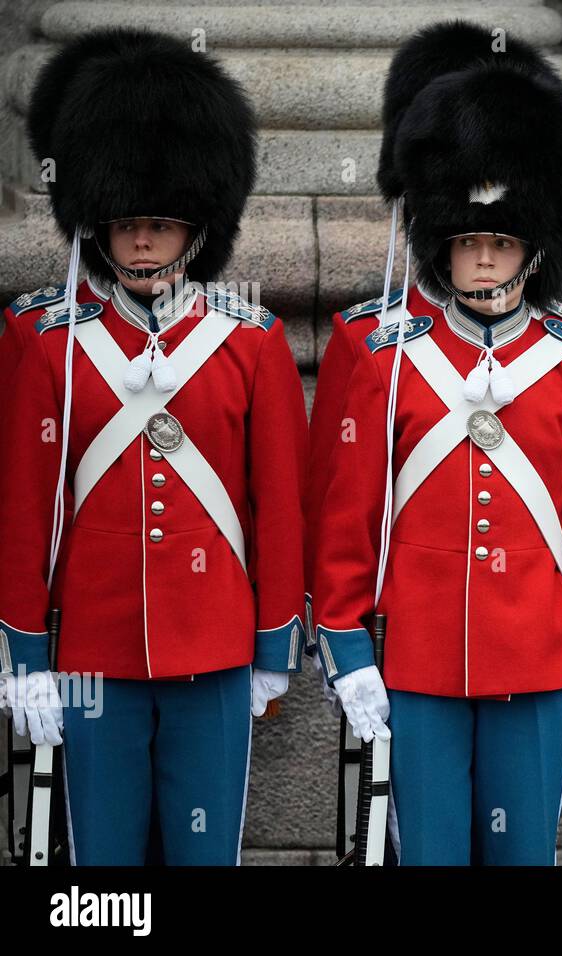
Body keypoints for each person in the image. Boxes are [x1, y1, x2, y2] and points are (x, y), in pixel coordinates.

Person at [310, 22, 562, 865]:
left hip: (534, 654)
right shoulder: (390, 362)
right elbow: (351, 518)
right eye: (468, 242)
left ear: (534, 247)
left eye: (501, 242)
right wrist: (345, 646)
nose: (483, 258)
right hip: (417, 657)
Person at [0, 27, 307, 865]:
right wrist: (24, 652)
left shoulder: (251, 342)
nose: (141, 241)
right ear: (95, 224)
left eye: (162, 225)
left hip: (215, 650)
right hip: (89, 653)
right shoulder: (44, 339)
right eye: (127, 222)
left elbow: (276, 506)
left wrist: (274, 645)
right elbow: (23, 509)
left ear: (196, 231)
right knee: (101, 866)